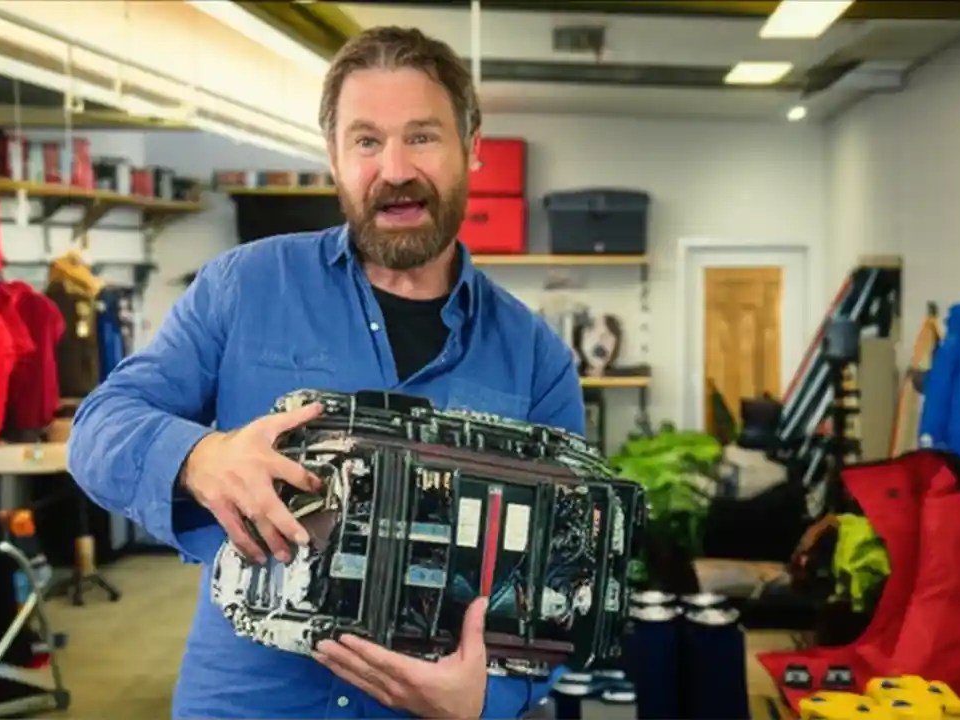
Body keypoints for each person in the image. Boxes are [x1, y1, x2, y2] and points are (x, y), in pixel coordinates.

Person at [67, 24, 584, 720]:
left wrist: (487, 698)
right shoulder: (243, 287)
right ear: (334, 157)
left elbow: (559, 589)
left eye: (422, 136)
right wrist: (200, 456)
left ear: (471, 149)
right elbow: (99, 427)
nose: (394, 167)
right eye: (366, 141)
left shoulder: (536, 360)